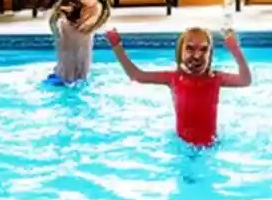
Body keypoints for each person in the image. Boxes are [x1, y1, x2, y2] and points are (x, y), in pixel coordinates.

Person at [105, 26, 252, 147]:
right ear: (179, 53)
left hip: (210, 147)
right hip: (182, 147)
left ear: (210, 54)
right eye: (190, 48)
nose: (197, 55)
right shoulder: (173, 79)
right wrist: (117, 46)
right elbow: (136, 75)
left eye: (203, 49)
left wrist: (235, 50)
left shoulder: (216, 79)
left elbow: (245, 80)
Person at [46, 0, 109, 85]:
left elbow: (53, 20)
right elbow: (102, 16)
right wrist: (105, 6)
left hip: (61, 77)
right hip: (69, 80)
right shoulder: (79, 28)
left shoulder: (65, 25)